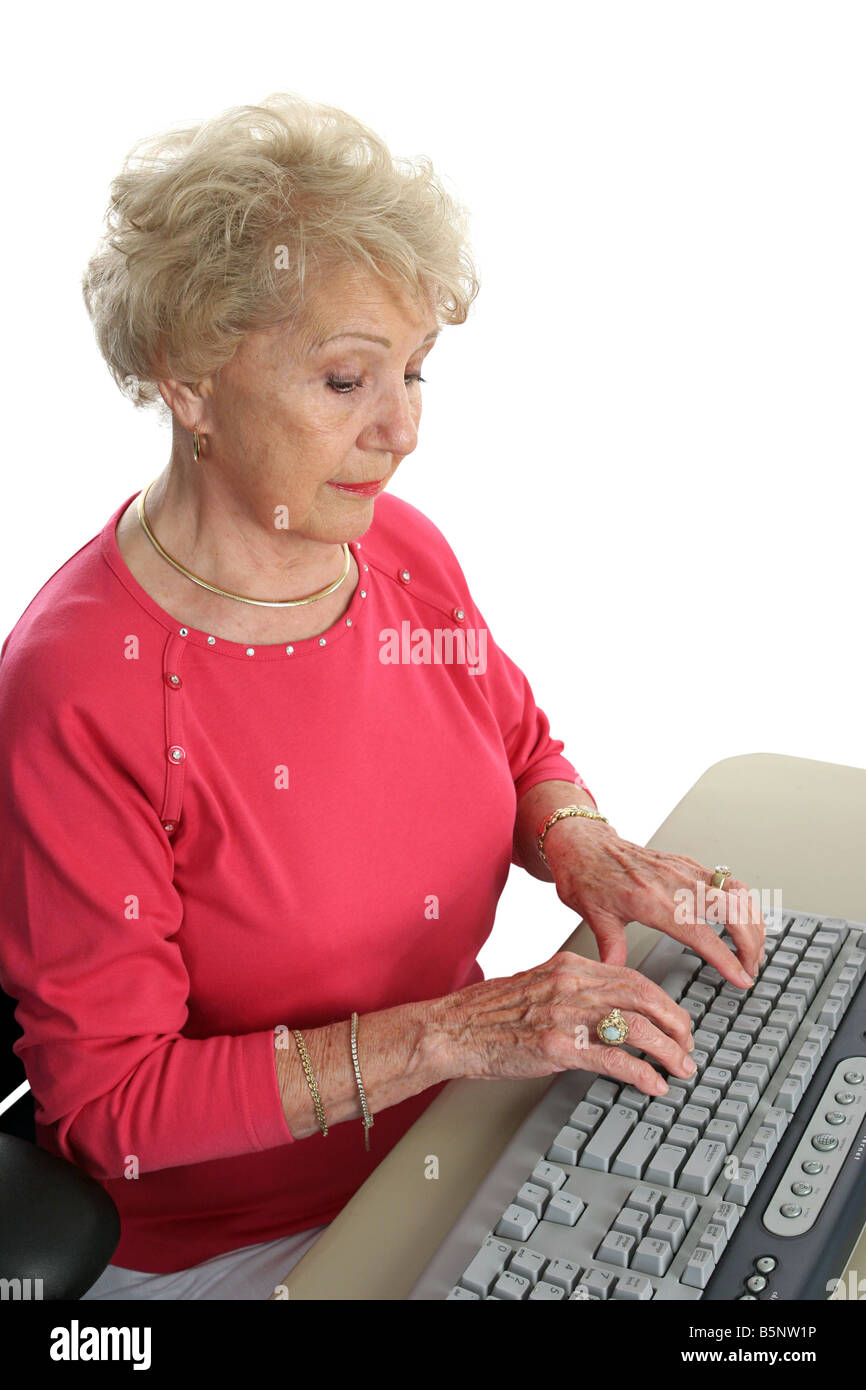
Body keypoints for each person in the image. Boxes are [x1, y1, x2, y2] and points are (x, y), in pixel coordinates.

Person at [0, 92, 764, 1300]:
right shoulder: (83, 686)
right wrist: (459, 1032)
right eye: (347, 378)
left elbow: (515, 745)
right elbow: (110, 1104)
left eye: (414, 372)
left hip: (441, 1143)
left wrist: (584, 845)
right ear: (190, 381)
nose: (401, 428)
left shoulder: (395, 550)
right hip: (236, 1247)